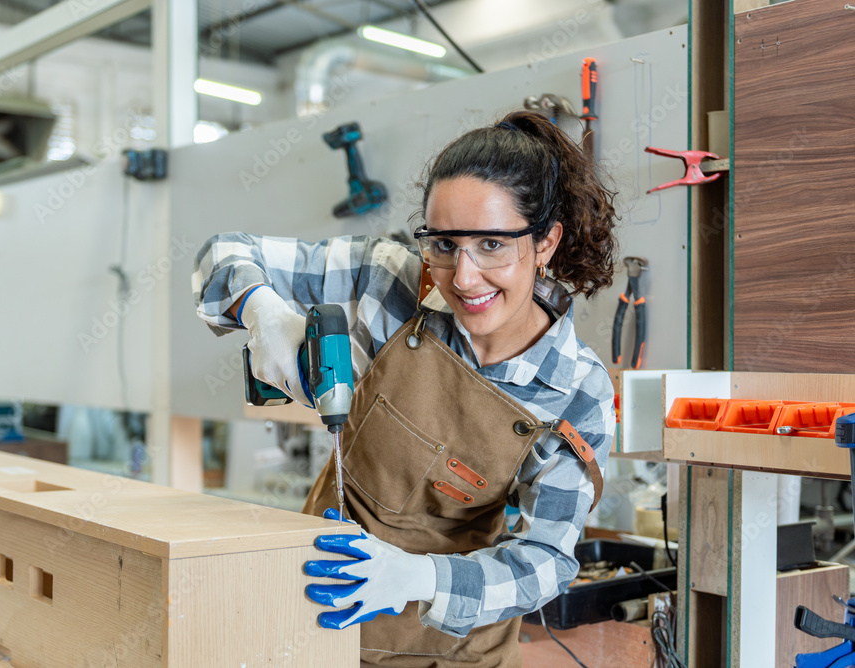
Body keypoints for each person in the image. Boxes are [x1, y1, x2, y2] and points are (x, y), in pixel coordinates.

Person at [193, 110, 617, 667]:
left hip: (456, 650)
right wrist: (263, 311)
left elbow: (546, 561)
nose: (462, 278)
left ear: (545, 243)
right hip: (312, 620)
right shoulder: (388, 282)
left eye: (491, 244)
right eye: (443, 244)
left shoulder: (575, 389)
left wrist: (413, 576)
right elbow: (220, 252)